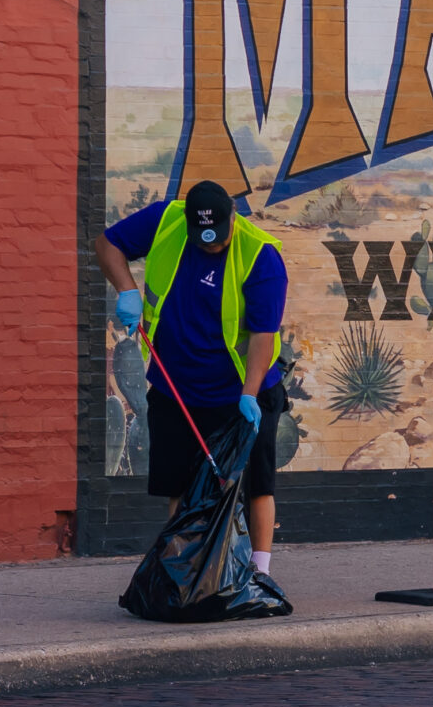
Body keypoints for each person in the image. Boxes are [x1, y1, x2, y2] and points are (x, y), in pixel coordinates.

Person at [96, 180, 291, 576]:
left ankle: (260, 573)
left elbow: (263, 336)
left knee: (255, 484)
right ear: (188, 223)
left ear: (233, 217)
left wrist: (249, 393)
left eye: (218, 236)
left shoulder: (261, 257)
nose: (211, 246)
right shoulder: (165, 222)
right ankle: (182, 572)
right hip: (176, 386)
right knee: (180, 485)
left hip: (241, 391)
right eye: (202, 239)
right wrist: (126, 290)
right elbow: (107, 244)